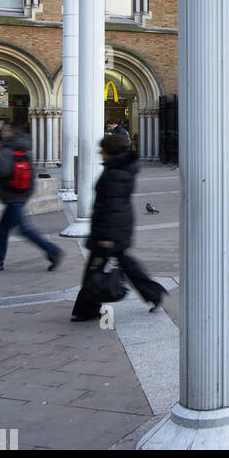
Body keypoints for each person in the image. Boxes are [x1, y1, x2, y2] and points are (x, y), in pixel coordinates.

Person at [71, 132, 166, 321]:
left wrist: (107, 236)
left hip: (110, 229)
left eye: (102, 148)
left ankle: (87, 308)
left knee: (94, 270)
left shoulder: (115, 172)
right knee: (125, 264)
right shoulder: (120, 168)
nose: (99, 151)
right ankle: (153, 293)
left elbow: (113, 205)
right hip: (116, 226)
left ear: (109, 151)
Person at [0, 124, 62, 273]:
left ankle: (52, 251)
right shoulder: (25, 149)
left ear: (9, 133)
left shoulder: (7, 149)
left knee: (24, 229)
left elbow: (2, 170)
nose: (2, 133)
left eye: (4, 131)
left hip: (12, 196)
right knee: (2, 229)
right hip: (21, 194)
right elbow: (32, 173)